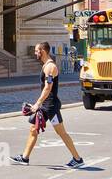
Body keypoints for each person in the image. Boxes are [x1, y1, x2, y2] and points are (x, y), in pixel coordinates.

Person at [12, 41, 84, 169]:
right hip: (51, 105)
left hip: (48, 106)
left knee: (34, 129)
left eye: (36, 51)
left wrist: (37, 104)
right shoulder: (46, 65)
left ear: (43, 51)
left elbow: (48, 87)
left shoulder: (50, 67)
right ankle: (77, 159)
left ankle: (24, 158)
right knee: (61, 132)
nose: (35, 53)